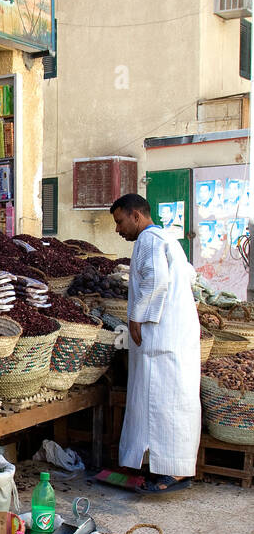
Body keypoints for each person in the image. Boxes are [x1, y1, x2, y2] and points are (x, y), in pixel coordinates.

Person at [111, 192, 201, 493]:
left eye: (120, 221)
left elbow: (155, 281)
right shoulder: (167, 239)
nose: (118, 229)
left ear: (136, 216)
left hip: (161, 335)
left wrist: (135, 317)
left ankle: (171, 471)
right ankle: (173, 467)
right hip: (175, 334)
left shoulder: (149, 241)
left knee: (160, 403)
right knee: (171, 402)